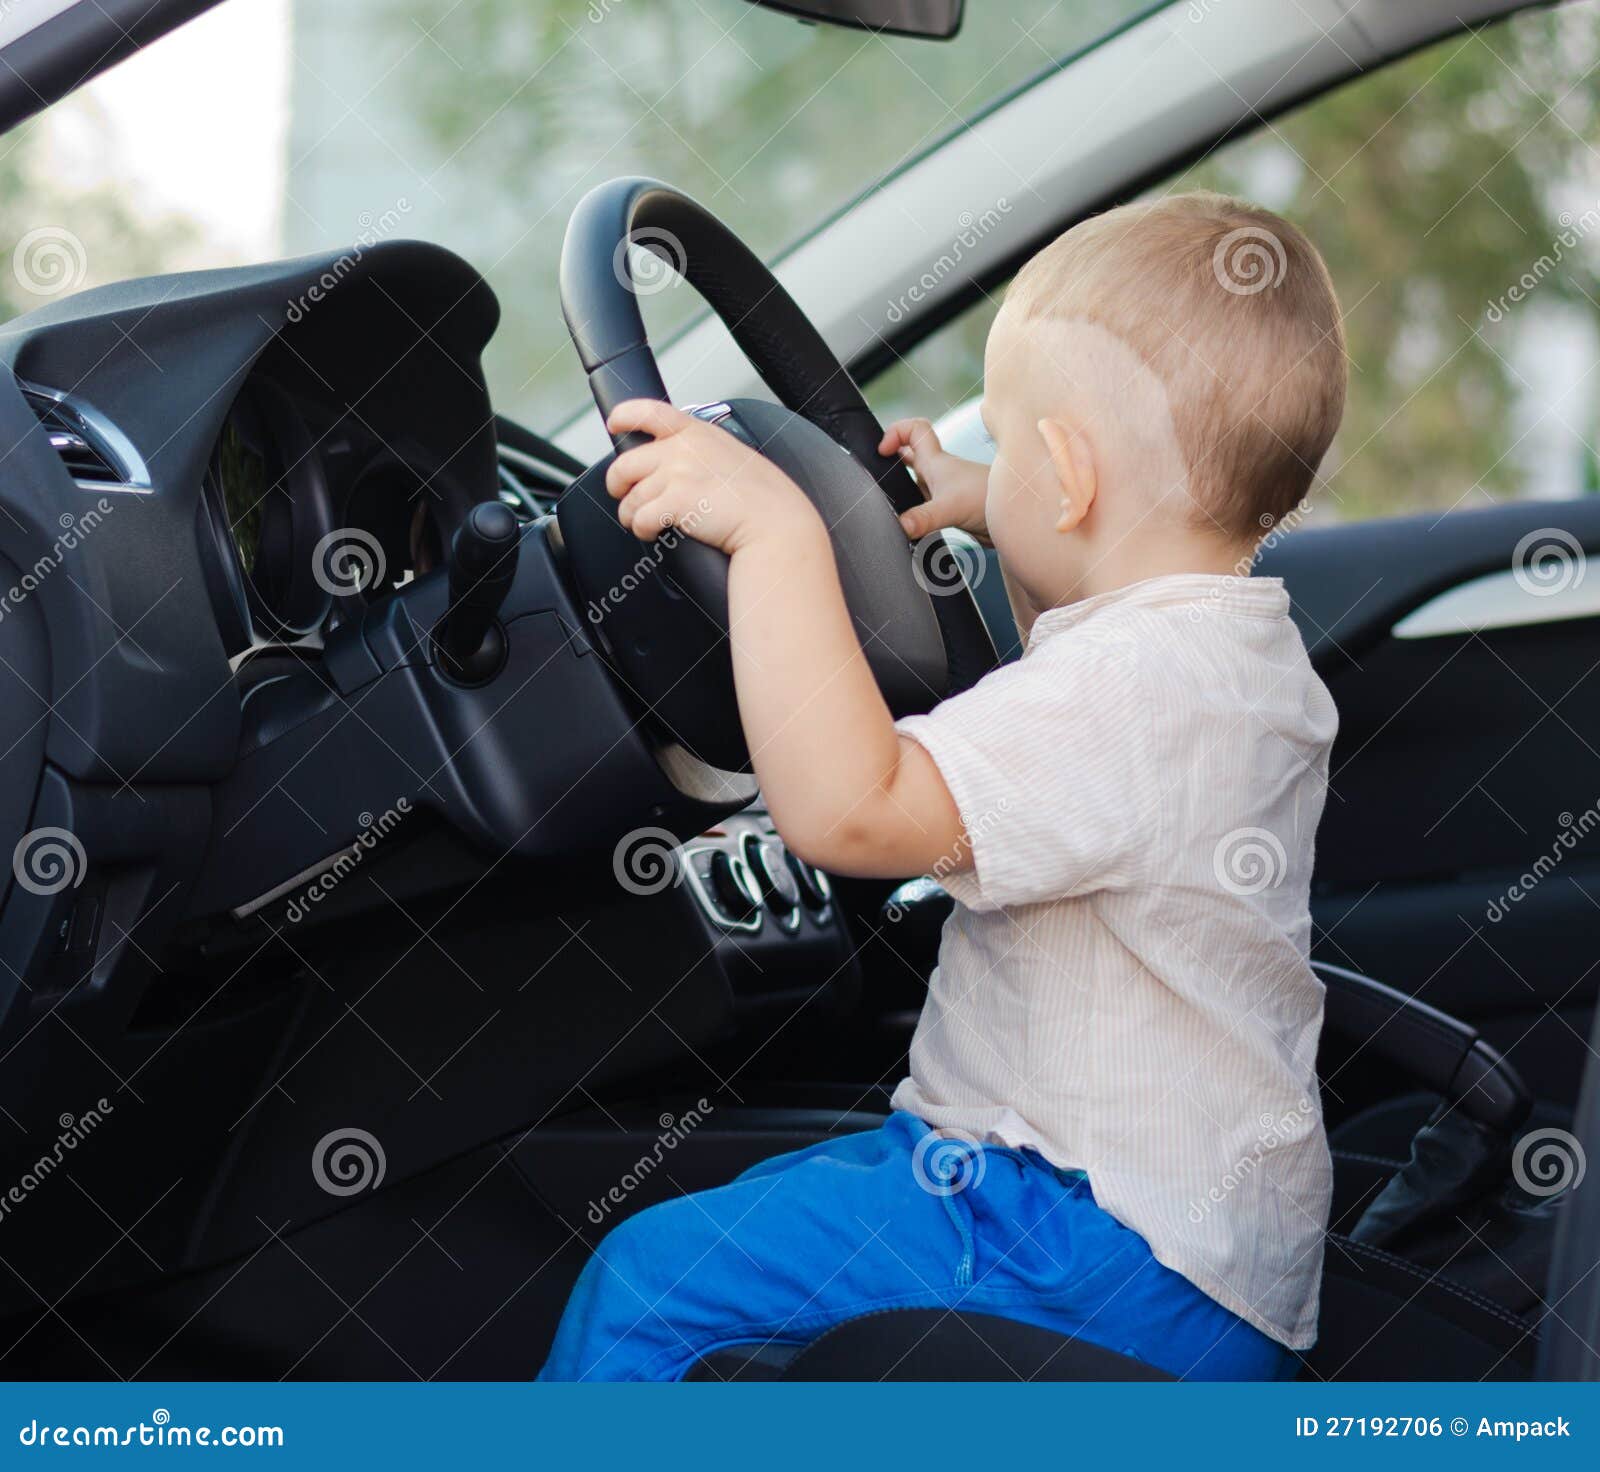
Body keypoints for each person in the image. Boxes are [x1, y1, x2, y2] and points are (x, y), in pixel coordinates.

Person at [538, 191, 1346, 1382]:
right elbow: (1075, 659)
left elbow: (848, 808)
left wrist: (778, 538)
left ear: (1072, 479)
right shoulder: (1221, 653)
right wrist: (991, 498)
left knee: (651, 1288)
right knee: (783, 1202)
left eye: (1013, 448)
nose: (991, 470)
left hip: (1078, 1237)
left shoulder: (1126, 684)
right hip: (1191, 1254)